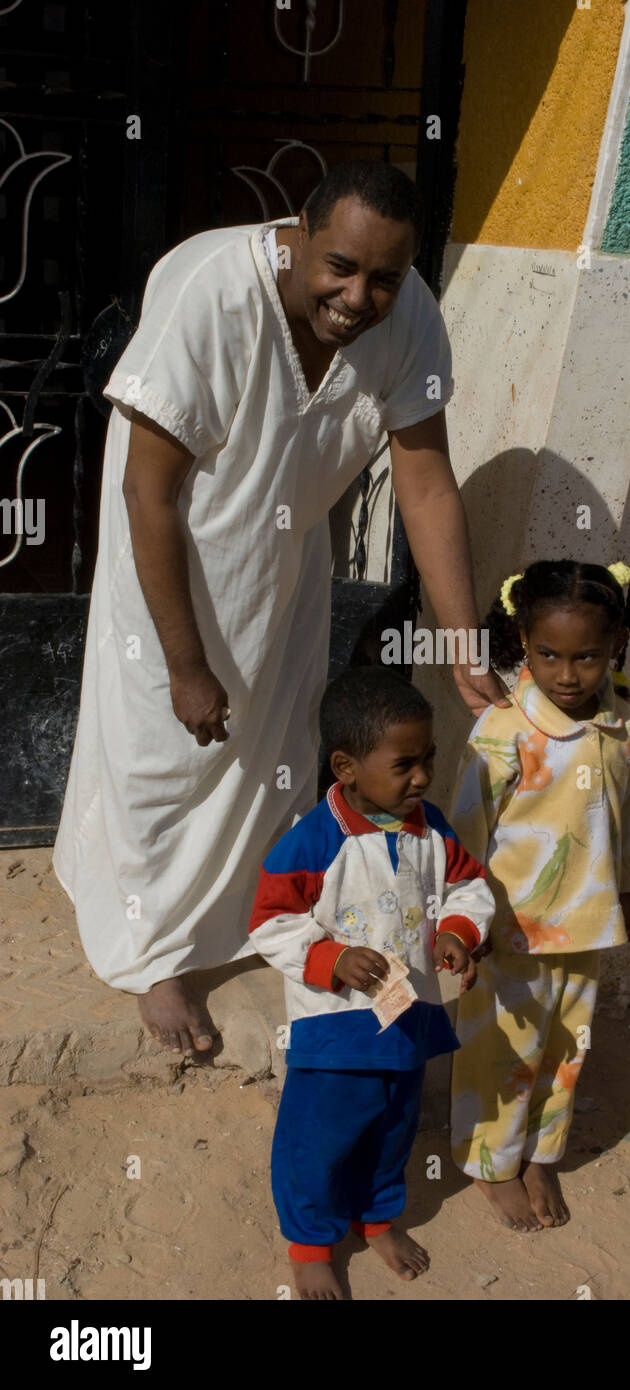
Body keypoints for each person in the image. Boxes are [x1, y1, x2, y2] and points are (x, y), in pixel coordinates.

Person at [52, 160, 507, 1059]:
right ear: (298, 234)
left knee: (267, 746)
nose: (358, 295)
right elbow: (150, 494)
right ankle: (152, 955)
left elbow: (423, 479)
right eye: (339, 266)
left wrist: (462, 644)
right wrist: (184, 664)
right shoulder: (214, 295)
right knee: (160, 753)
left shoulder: (407, 315)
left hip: (284, 557)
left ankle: (258, 916)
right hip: (169, 553)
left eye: (384, 277)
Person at [247, 666, 494, 1300]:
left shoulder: (431, 828)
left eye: (428, 759)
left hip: (409, 1017)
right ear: (346, 767)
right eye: (404, 764)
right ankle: (310, 1243)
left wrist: (459, 932)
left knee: (392, 1127)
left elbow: (468, 885)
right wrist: (329, 957)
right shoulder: (312, 841)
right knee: (321, 1136)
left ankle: (377, 1217)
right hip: (335, 1028)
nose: (421, 777)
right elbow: (270, 922)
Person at [448, 560, 630, 1232]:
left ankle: (539, 1151)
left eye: (588, 657)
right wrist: (460, 923)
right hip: (510, 932)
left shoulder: (618, 727)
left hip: (587, 929)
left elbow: (628, 819)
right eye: (549, 655)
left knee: (566, 1047)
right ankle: (491, 1163)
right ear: (523, 641)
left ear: (616, 645)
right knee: (502, 1050)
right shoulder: (501, 733)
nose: (568, 675)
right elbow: (464, 837)